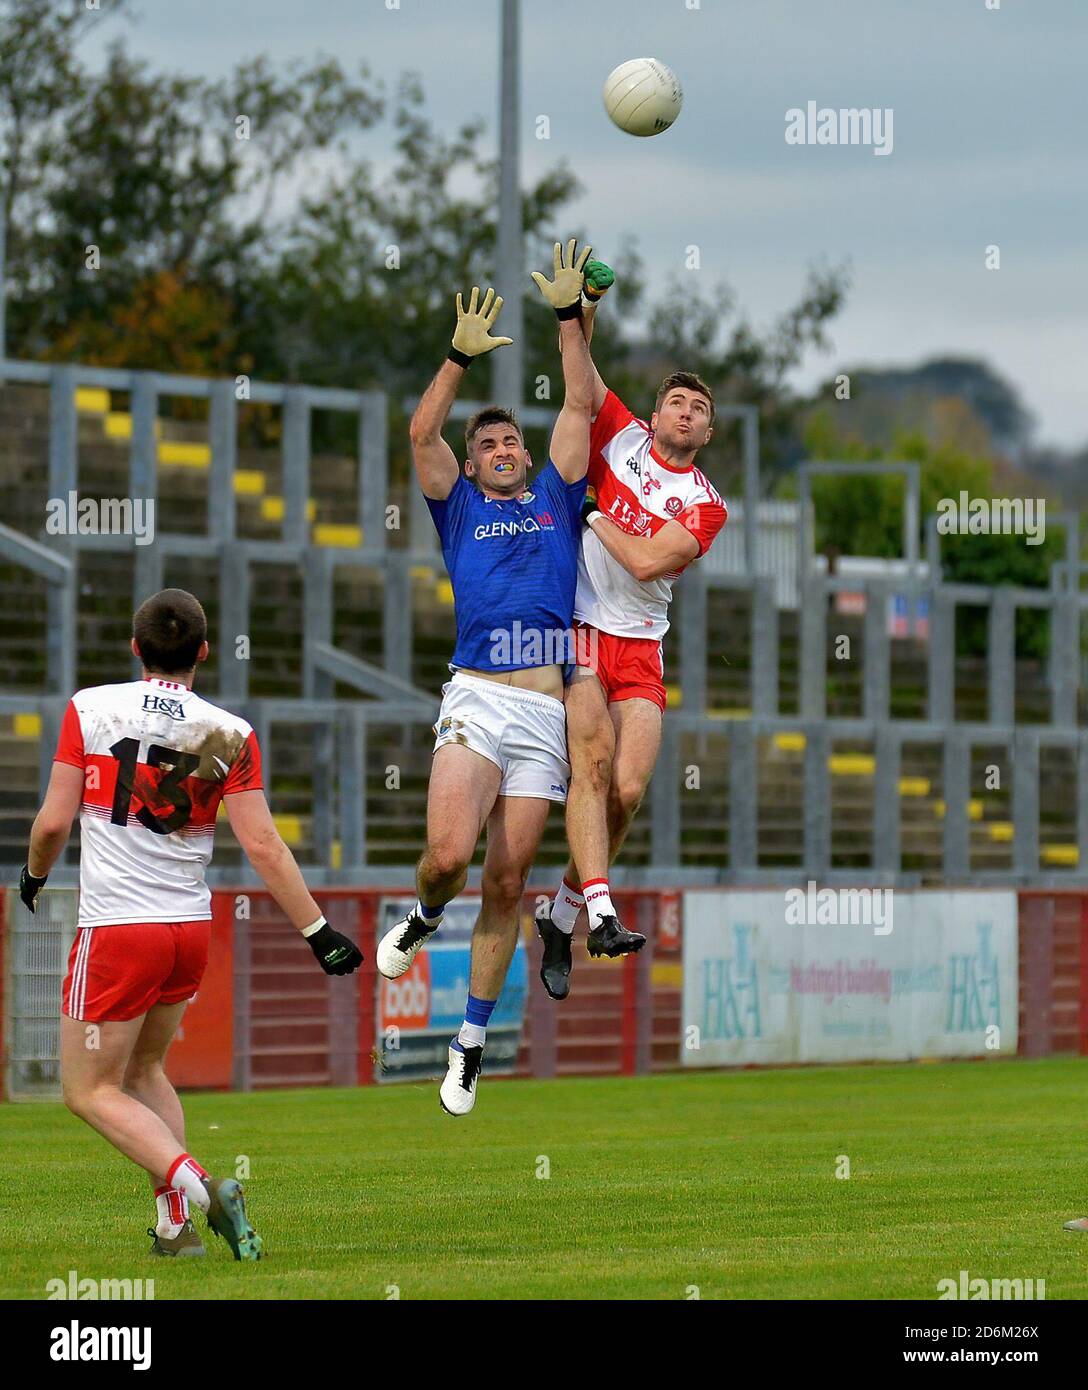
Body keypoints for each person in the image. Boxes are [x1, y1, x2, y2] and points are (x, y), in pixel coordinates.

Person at [19, 588, 362, 1259]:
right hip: (188, 931)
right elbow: (263, 843)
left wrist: (33, 875)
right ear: (203, 651)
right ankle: (174, 1228)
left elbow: (55, 821)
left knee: (86, 1090)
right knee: (146, 1070)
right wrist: (318, 932)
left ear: (134, 646)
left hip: (119, 928)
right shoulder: (228, 732)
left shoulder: (89, 709)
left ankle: (202, 1189)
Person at [374, 241, 602, 1116]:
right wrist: (459, 356)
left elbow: (580, 402)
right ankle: (425, 914)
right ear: (471, 465)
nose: (504, 447)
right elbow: (420, 431)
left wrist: (567, 320)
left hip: (544, 711)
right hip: (475, 692)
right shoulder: (456, 503)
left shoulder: (555, 495)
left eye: (511, 438)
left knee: (506, 885)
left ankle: (468, 1048)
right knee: (446, 858)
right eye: (491, 443)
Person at [535, 261, 728, 1000]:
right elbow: (580, 383)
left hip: (641, 647)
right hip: (580, 631)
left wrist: (589, 511)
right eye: (675, 401)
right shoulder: (623, 438)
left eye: (697, 409)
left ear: (707, 433)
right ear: (655, 414)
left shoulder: (706, 503)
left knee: (629, 788)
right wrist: (580, 310)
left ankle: (561, 912)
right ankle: (604, 914)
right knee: (590, 765)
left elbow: (649, 562)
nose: (684, 412)